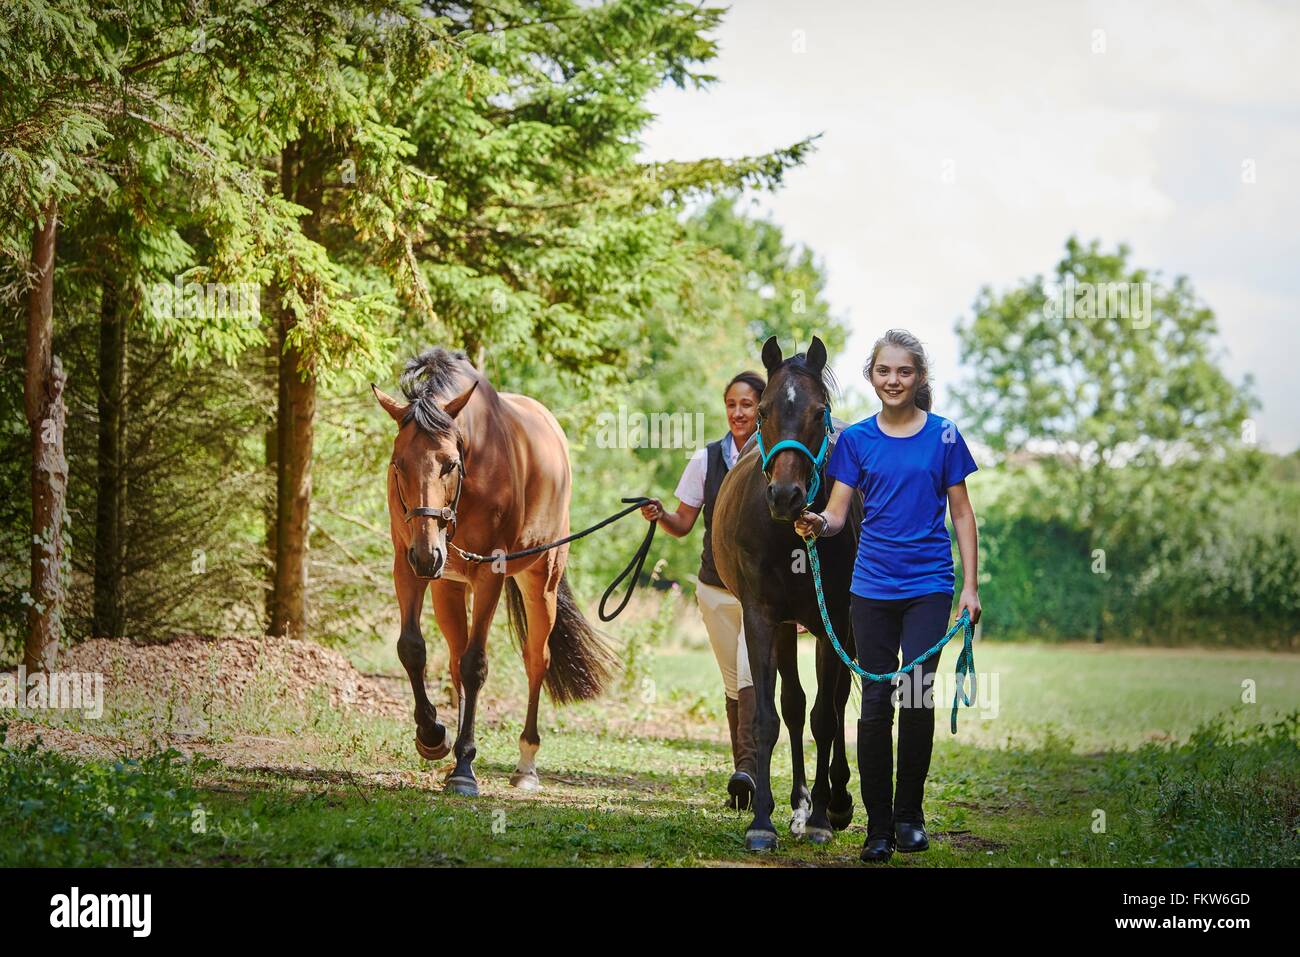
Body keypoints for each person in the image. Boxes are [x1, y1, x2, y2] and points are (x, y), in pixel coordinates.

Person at [794, 329, 981, 863]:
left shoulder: (944, 437)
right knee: (875, 703)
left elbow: (962, 513)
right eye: (883, 371)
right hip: (870, 588)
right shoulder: (854, 440)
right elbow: (836, 513)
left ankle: (909, 818)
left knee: (917, 697)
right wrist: (816, 523)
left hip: (928, 586)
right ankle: (877, 827)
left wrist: (969, 586)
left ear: (918, 378)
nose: (893, 380)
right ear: (871, 377)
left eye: (903, 371)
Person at [639, 371, 766, 811]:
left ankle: (750, 768)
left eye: (747, 404)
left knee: (752, 678)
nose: (737, 412)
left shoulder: (779, 459)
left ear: (762, 410)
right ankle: (743, 776)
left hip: (759, 595)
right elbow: (683, 523)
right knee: (733, 684)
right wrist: (659, 515)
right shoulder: (706, 459)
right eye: (731, 403)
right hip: (714, 588)